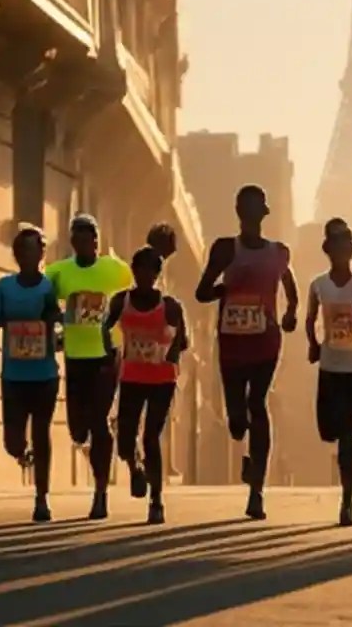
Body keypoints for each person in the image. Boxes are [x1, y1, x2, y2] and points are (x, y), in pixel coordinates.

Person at [196, 185, 299, 520]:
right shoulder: (226, 249)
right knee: (237, 420)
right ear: (239, 213)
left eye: (257, 209)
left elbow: (291, 290)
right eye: (247, 209)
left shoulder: (278, 252)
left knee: (258, 403)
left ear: (263, 214)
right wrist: (223, 289)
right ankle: (249, 458)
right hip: (231, 342)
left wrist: (289, 314)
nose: (252, 215)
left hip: (266, 341)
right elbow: (201, 291)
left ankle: (257, 490)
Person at [45, 214, 134, 520]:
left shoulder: (115, 270)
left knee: (96, 420)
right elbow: (45, 303)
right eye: (79, 240)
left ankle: (100, 493)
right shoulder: (59, 272)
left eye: (90, 239)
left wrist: (123, 326)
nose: (85, 245)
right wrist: (57, 324)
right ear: (73, 243)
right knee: (78, 430)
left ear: (98, 241)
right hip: (75, 356)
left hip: (107, 355)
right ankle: (102, 439)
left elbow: (134, 295)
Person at [101, 247, 189, 525]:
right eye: (139, 271)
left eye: (150, 272)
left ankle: (156, 500)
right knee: (125, 442)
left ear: (157, 274)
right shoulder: (120, 301)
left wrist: (172, 349)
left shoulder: (170, 306)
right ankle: (135, 467)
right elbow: (105, 326)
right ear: (134, 271)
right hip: (131, 377)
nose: (144, 277)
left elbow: (183, 341)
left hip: (162, 379)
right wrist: (108, 349)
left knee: (151, 437)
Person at [0, 227, 61, 523]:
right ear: (16, 255)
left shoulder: (49, 288)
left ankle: (42, 498)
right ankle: (20, 454)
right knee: (12, 440)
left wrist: (52, 320)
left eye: (36, 249)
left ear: (42, 254)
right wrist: (7, 321)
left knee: (42, 432)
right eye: (25, 250)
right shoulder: (4, 287)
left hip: (44, 374)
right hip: (14, 375)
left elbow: (59, 316)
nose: (31, 255)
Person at [307, 219, 352, 527]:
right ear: (328, 250)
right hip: (329, 366)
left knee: (348, 436)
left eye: (346, 246)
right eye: (335, 247)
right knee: (328, 431)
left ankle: (347, 499)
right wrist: (313, 344)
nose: (341, 252)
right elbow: (310, 318)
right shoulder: (319, 285)